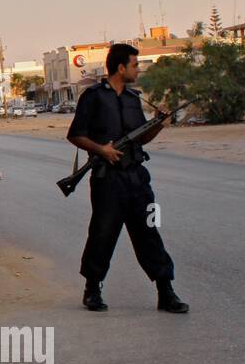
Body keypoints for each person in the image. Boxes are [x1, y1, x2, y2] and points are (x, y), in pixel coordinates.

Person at [67, 43, 188, 314]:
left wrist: (158, 124)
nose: (138, 69)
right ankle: (92, 290)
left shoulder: (135, 99)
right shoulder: (94, 97)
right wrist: (102, 150)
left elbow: (141, 137)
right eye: (135, 64)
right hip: (108, 180)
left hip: (137, 178)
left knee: (149, 233)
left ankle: (165, 292)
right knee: (102, 234)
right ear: (120, 68)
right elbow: (75, 134)